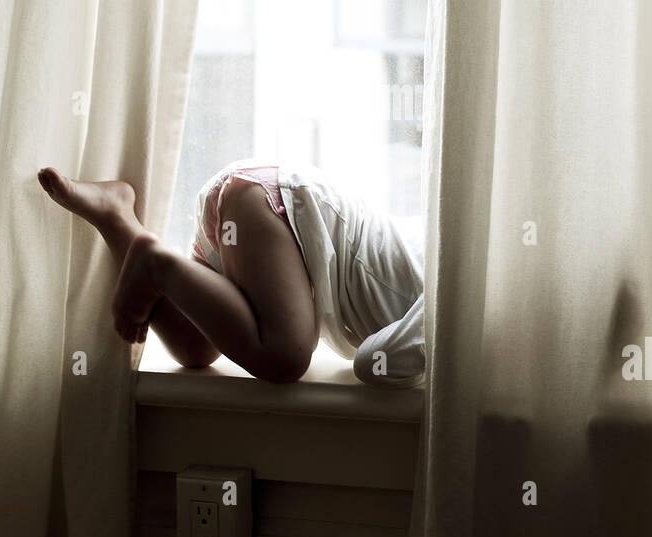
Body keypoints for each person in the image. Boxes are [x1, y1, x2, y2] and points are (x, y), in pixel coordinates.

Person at [37, 159, 425, 386]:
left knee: (194, 348)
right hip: (276, 209)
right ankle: (156, 262)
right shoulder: (463, 298)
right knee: (284, 357)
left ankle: (116, 217)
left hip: (261, 213)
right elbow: (376, 359)